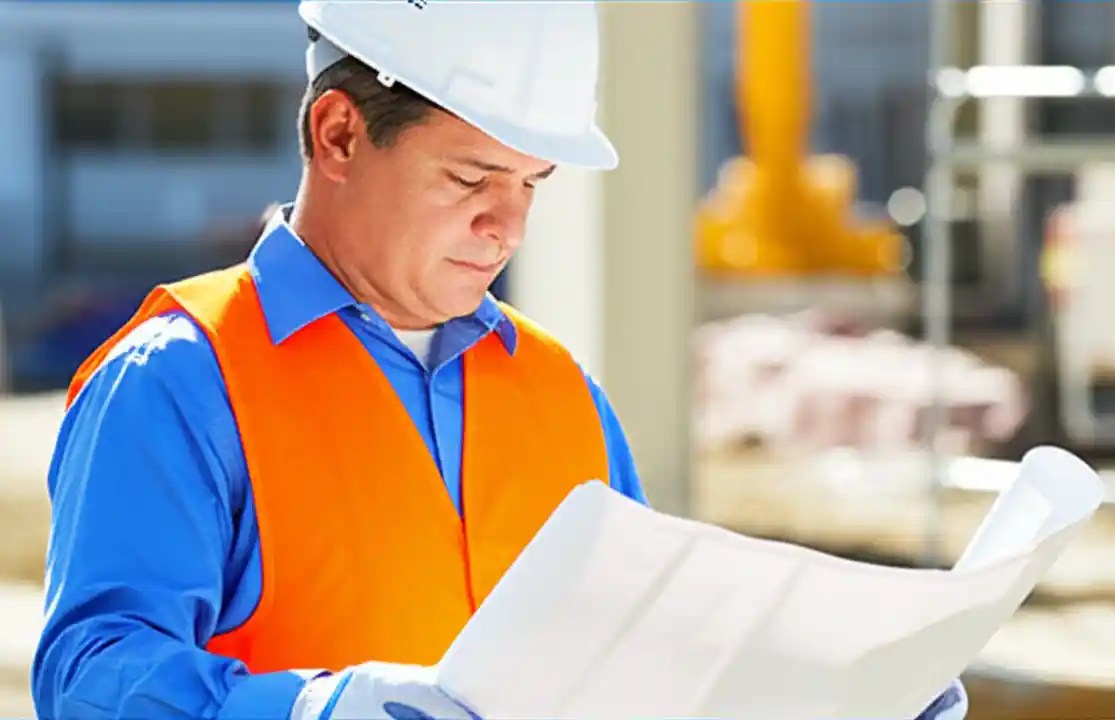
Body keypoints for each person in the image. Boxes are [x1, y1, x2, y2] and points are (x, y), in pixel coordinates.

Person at [32, 2, 967, 719]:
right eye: (472, 178)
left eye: (531, 184)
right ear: (339, 135)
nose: (507, 226)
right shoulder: (179, 379)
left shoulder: (560, 392)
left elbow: (650, 660)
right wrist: (328, 708)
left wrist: (840, 692)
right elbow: (91, 676)